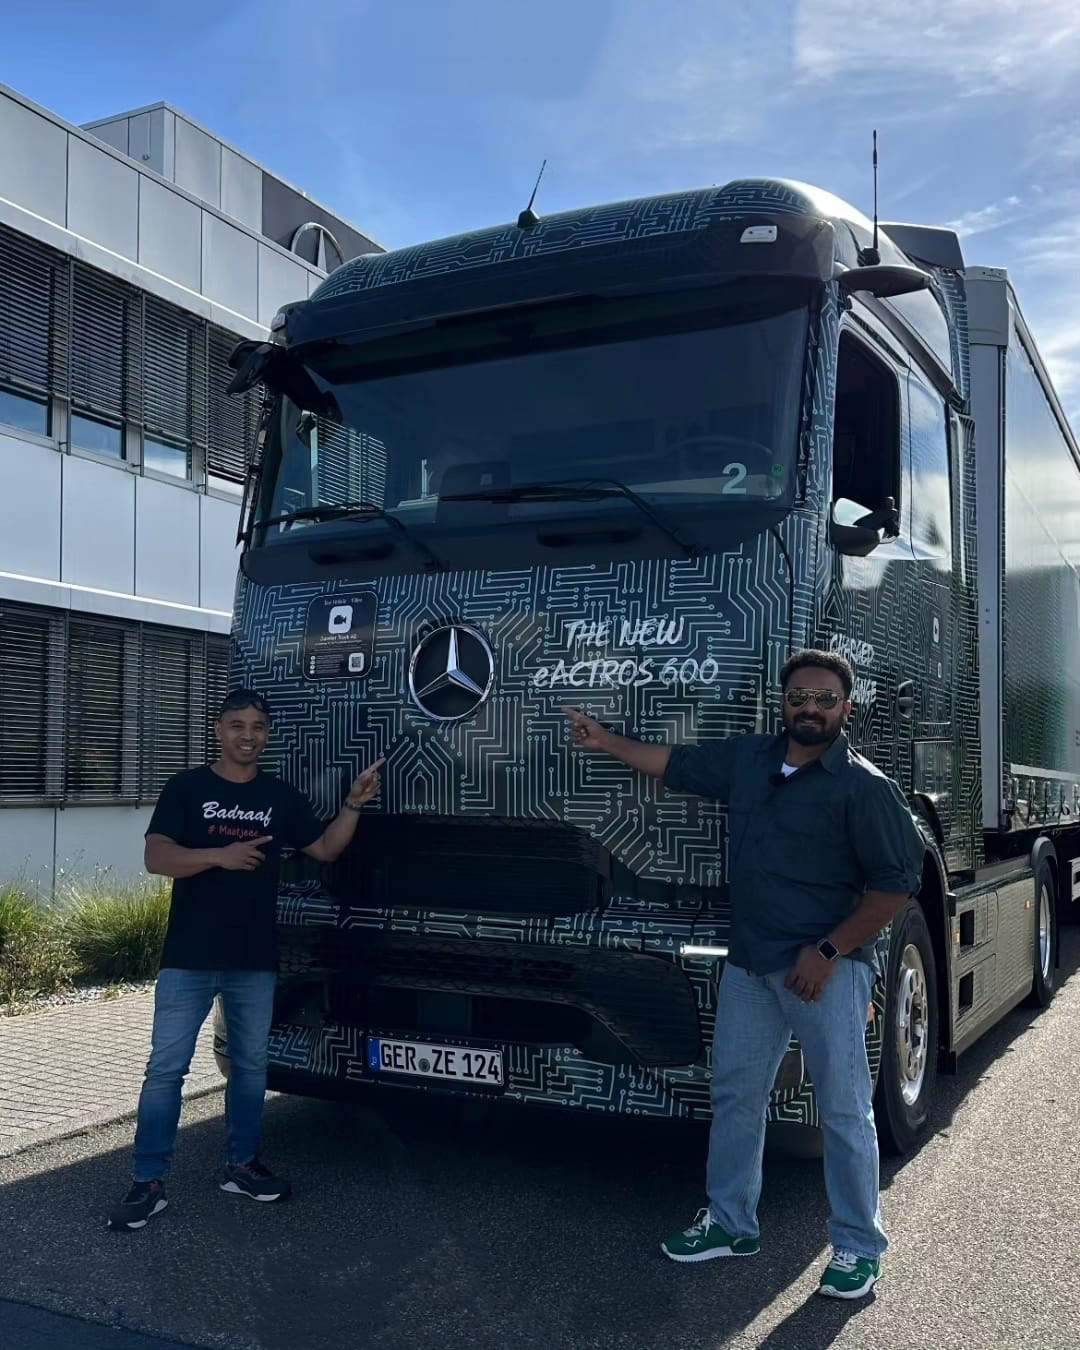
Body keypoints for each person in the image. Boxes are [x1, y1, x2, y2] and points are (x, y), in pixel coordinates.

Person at [563, 649, 924, 1299]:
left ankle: (858, 1246)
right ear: (782, 703)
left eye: (825, 699)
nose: (810, 708)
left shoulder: (864, 787)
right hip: (752, 966)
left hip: (823, 974)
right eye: (798, 697)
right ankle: (731, 1222)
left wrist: (828, 951)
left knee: (844, 1110)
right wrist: (605, 740)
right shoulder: (750, 760)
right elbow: (674, 763)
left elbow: (896, 886)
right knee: (735, 1095)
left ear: (846, 708)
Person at [108, 687, 384, 1232]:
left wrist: (353, 803)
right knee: (166, 1071)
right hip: (188, 958)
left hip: (253, 960)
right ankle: (148, 1182)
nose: (248, 736)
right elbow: (156, 857)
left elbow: (325, 849)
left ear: (267, 734)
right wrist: (221, 855)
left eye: (258, 727)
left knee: (251, 1068)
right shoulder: (187, 788)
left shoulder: (280, 796)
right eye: (237, 725)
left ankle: (242, 1166)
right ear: (219, 730)